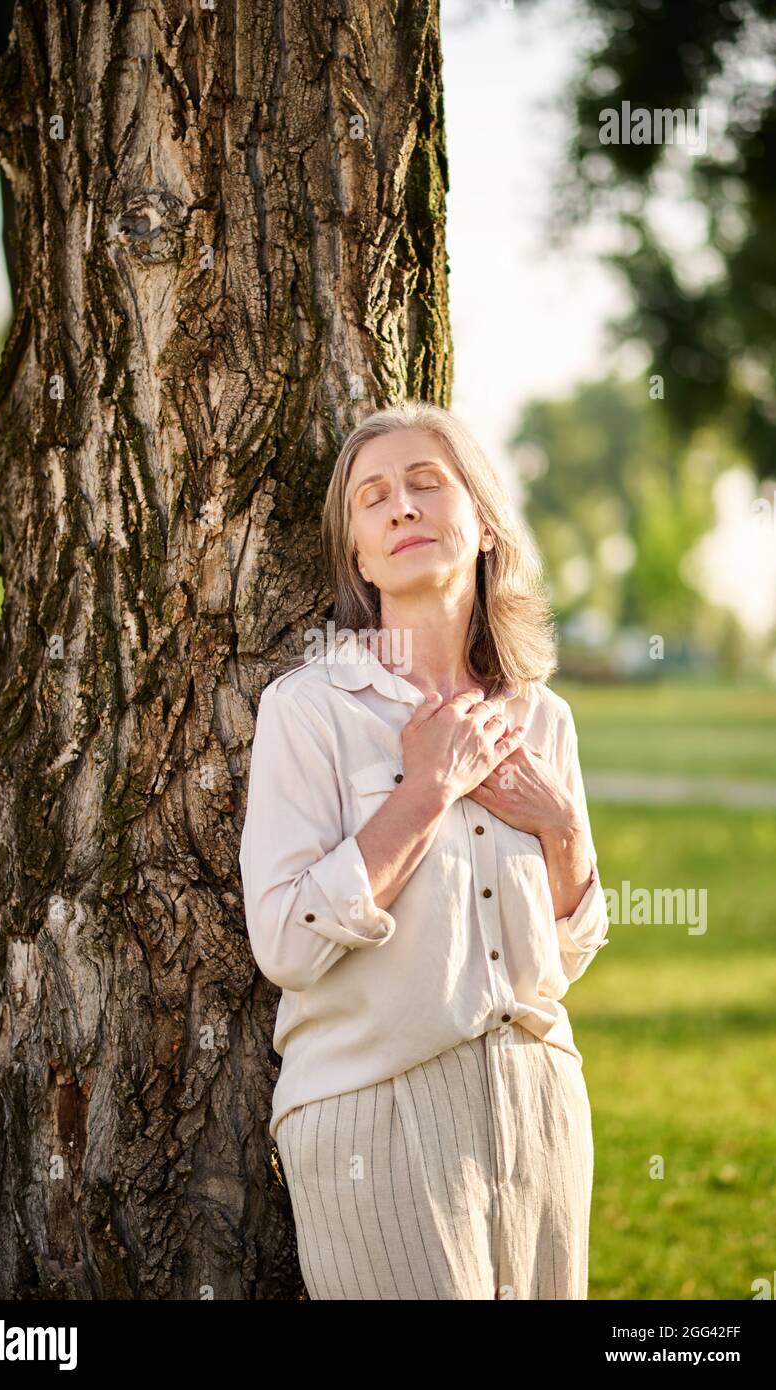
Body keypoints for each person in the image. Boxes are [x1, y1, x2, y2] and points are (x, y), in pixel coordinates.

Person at [238, 399, 610, 1300]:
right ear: (358, 557)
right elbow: (285, 942)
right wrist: (426, 790)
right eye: (372, 498)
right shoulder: (310, 709)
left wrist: (559, 827)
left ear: (483, 523)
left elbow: (569, 950)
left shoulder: (541, 716)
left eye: (425, 482)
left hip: (541, 1110)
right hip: (374, 1118)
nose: (401, 506)